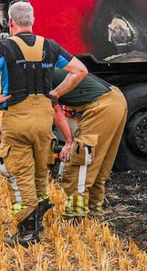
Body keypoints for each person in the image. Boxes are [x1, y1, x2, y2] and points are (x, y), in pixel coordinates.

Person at [0, 0, 87, 247]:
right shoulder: (50, 46)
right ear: (32, 21)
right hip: (44, 118)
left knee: (19, 174)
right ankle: (39, 220)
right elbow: (80, 71)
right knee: (39, 170)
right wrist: (55, 93)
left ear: (10, 22)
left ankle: (27, 230)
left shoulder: (4, 47)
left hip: (18, 118)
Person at [50, 68, 127, 218]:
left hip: (102, 106)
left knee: (80, 162)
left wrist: (68, 142)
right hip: (116, 100)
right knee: (97, 164)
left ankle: (75, 215)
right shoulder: (50, 67)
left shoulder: (39, 77)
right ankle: (94, 211)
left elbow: (56, 112)